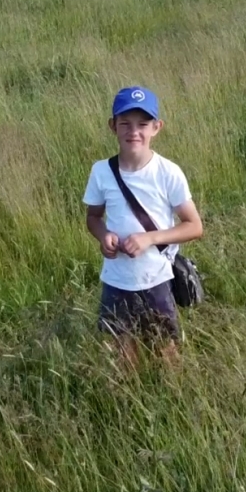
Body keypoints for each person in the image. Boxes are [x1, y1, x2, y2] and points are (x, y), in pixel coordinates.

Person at [82, 86, 203, 369]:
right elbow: (93, 217)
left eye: (143, 124)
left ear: (156, 128)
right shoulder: (101, 171)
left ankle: (171, 394)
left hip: (156, 279)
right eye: (125, 123)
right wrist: (103, 236)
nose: (134, 131)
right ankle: (128, 393)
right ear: (112, 126)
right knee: (122, 354)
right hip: (117, 279)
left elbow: (194, 226)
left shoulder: (168, 172)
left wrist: (150, 238)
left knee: (166, 351)